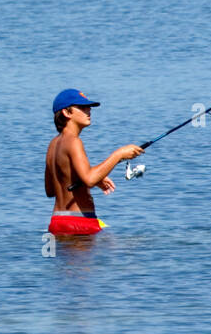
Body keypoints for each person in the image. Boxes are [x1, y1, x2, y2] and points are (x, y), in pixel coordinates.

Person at [44, 89, 143, 236]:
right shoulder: (74, 142)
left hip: (57, 222)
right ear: (66, 112)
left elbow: (50, 190)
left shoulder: (53, 144)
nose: (88, 110)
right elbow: (89, 179)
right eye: (82, 107)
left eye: (89, 107)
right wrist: (119, 154)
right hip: (79, 223)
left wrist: (92, 179)